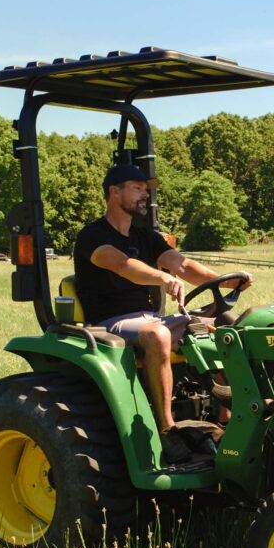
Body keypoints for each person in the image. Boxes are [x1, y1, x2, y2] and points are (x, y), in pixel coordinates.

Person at [73, 163, 252, 461]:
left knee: (227, 326)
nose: (145, 195)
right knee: (157, 335)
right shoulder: (92, 236)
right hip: (110, 323)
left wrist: (229, 280)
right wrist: (162, 278)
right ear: (114, 192)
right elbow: (122, 265)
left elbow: (182, 266)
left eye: (147, 189)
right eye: (137, 188)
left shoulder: (147, 237)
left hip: (150, 318)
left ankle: (226, 419)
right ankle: (167, 429)